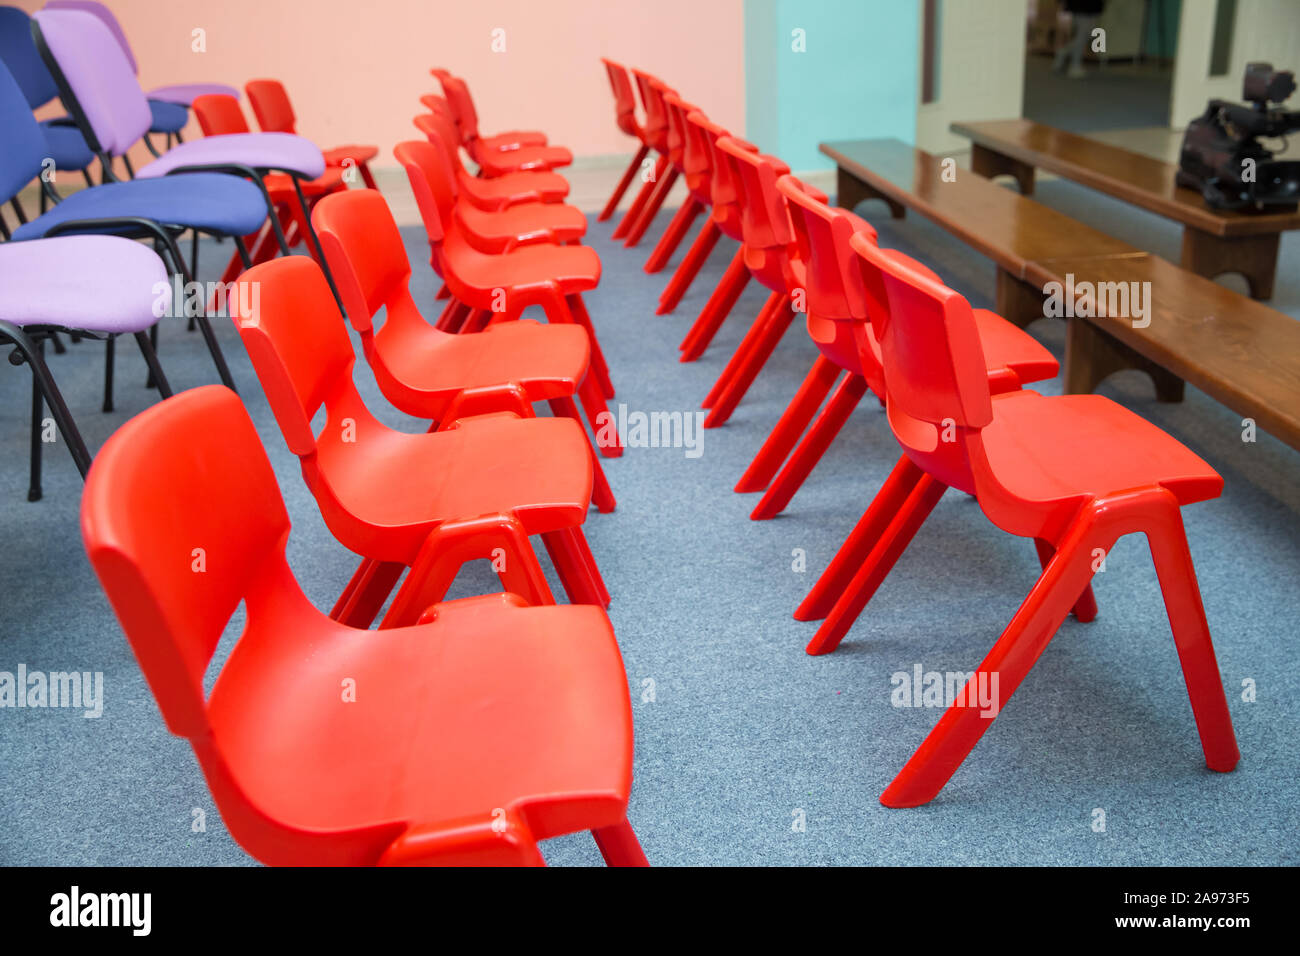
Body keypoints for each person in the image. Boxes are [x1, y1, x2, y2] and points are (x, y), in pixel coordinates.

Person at [1053, 0, 1106, 78]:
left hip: (1093, 4)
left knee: (1089, 33)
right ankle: (1075, 65)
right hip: (1081, 4)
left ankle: (1063, 52)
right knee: (1083, 33)